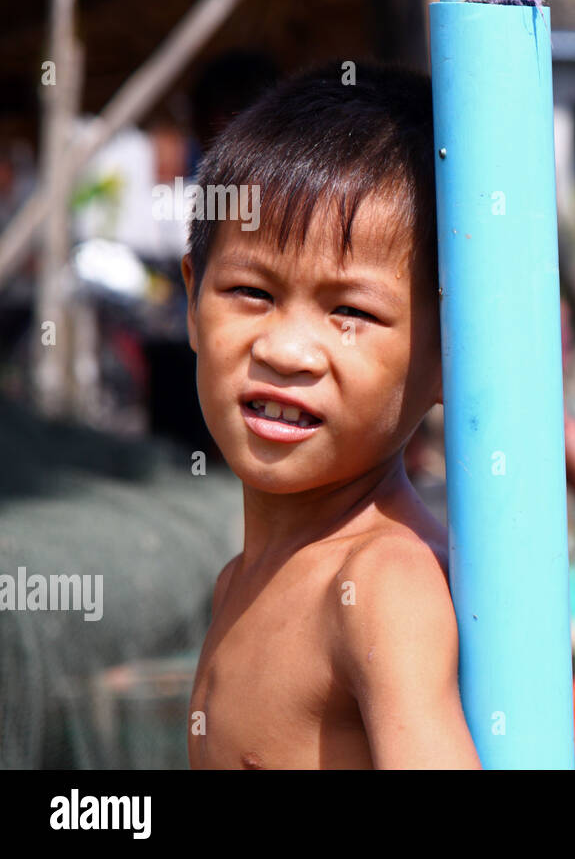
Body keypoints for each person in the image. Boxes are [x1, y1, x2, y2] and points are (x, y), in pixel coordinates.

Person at [183, 62, 478, 768]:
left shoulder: (382, 587)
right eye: (251, 291)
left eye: (351, 311)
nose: (286, 350)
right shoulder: (238, 581)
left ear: (446, 359)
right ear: (191, 300)